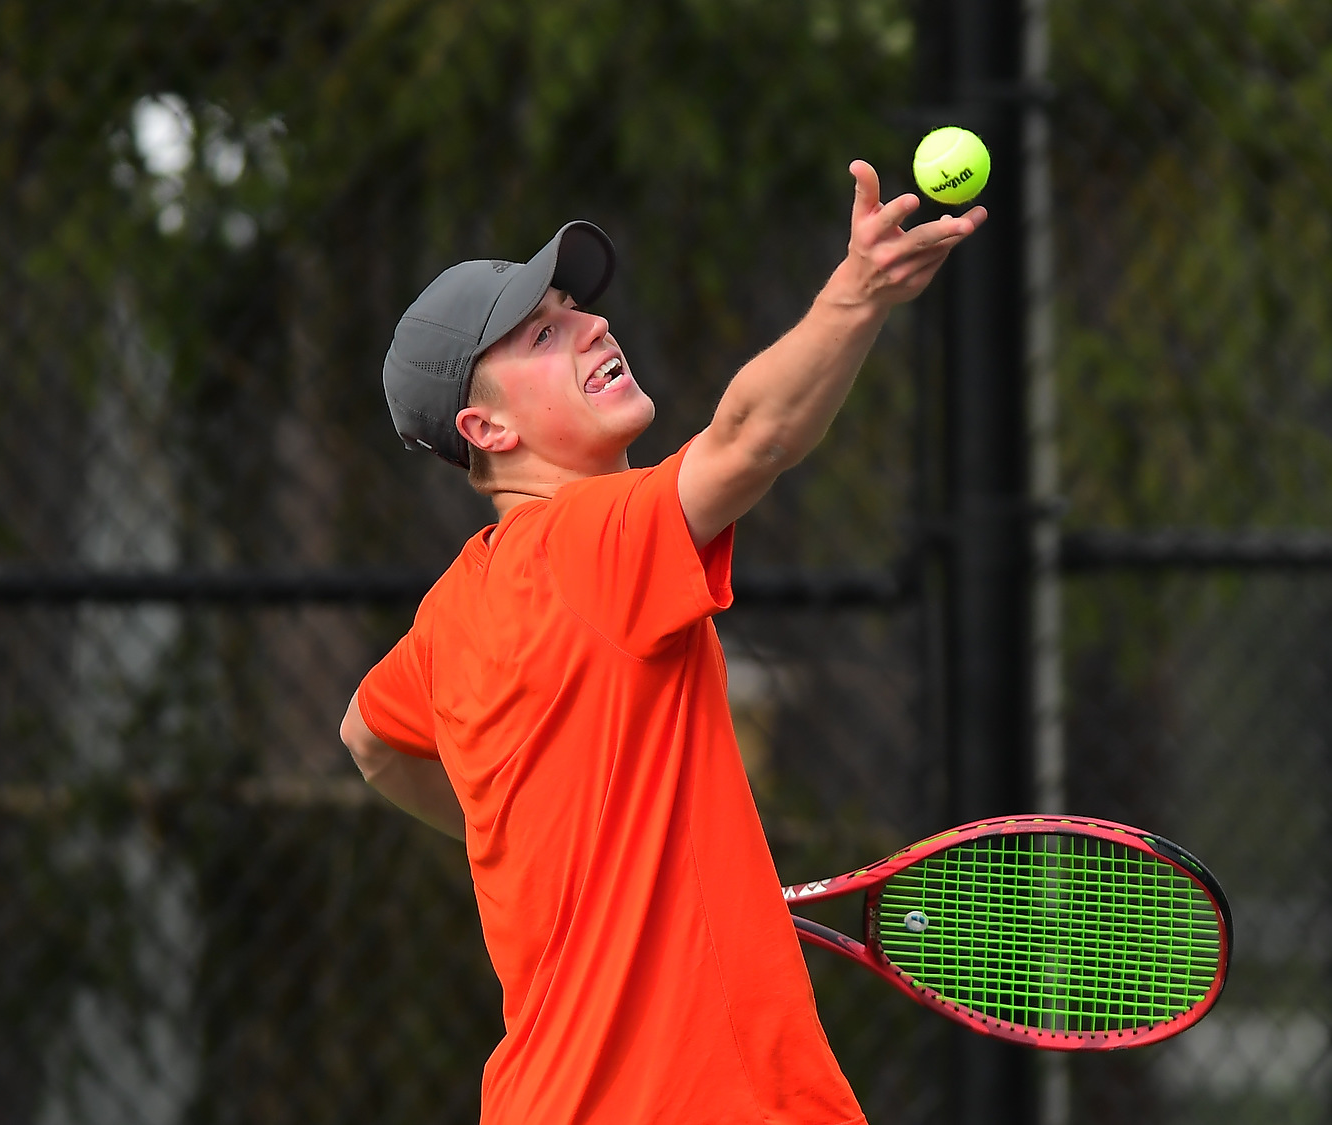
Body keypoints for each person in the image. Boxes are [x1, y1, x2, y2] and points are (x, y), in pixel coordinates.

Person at [339, 160, 985, 1124]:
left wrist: (594, 863)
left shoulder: (452, 611)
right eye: (543, 333)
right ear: (488, 427)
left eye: (575, 310)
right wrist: (857, 291)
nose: (594, 325)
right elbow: (751, 438)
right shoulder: (589, 539)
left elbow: (367, 737)